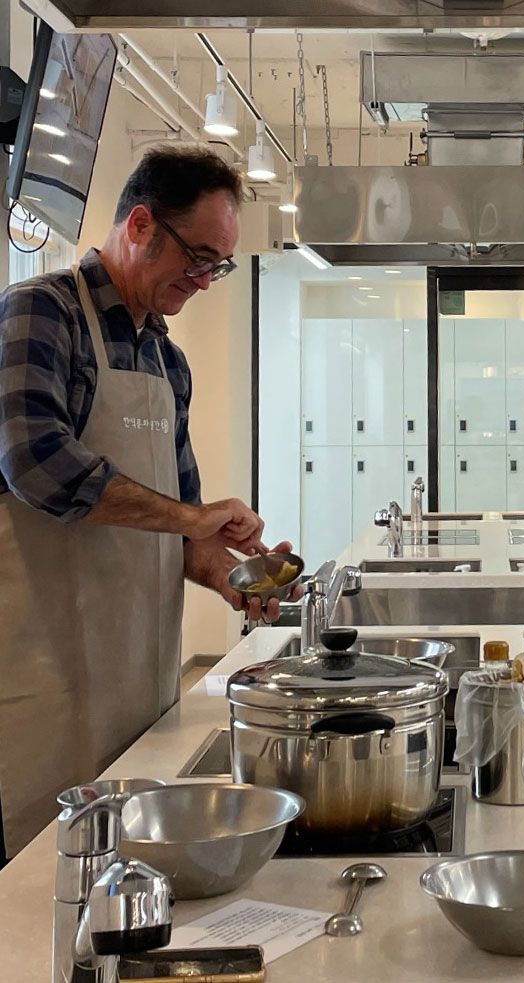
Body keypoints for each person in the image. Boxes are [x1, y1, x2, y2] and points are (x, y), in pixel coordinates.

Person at [0, 147, 296, 859]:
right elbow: (33, 462)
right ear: (140, 224)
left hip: (142, 679)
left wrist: (234, 575)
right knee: (39, 896)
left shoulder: (167, 359)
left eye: (218, 266)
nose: (204, 281)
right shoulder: (42, 314)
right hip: (45, 680)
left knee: (126, 878)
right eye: (198, 257)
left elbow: (181, 522)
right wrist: (190, 518)